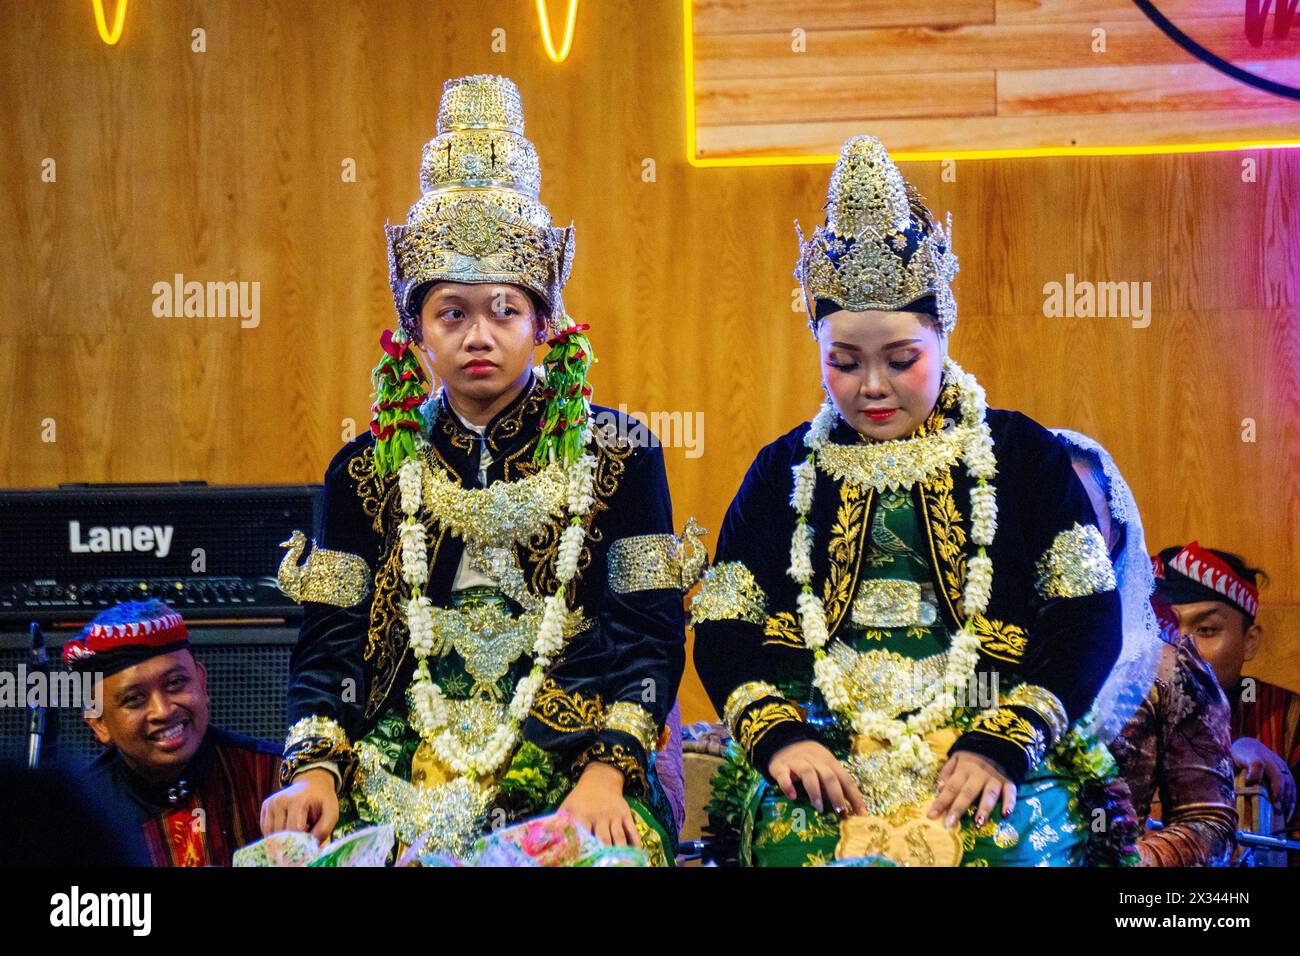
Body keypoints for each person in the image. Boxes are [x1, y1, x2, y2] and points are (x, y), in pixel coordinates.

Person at [259, 74, 691, 864]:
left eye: (505, 310)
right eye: (452, 313)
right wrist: (317, 768)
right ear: (416, 330)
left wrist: (607, 772)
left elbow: (649, 635)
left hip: (575, 748)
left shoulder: (623, 453)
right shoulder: (365, 470)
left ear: (545, 322)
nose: (479, 336)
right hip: (399, 756)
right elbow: (333, 643)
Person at [692, 136, 1131, 866]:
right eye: (843, 362)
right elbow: (724, 626)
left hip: (995, 742)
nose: (872, 386)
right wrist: (780, 736)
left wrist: (1004, 743)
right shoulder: (784, 470)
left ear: (942, 334)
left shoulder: (1020, 455)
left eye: (901, 361)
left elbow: (1087, 619)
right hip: (826, 750)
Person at [1054, 430, 1236, 866]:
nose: (1056, 537)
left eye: (1079, 519)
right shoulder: (969, 652)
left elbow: (1208, 822)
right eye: (1036, 514)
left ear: (1115, 534)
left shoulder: (1162, 669)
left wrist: (1132, 861)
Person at [63, 599, 281, 866]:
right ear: (99, 723)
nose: (163, 711)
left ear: (202, 683)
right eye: (134, 699)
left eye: (176, 683)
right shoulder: (75, 817)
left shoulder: (276, 777)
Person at [1154, 543, 1298, 862]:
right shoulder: (1116, 714)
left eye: (1205, 629)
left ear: (1249, 641)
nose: (1179, 649)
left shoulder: (1289, 720)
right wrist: (1220, 754)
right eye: (1162, 627)